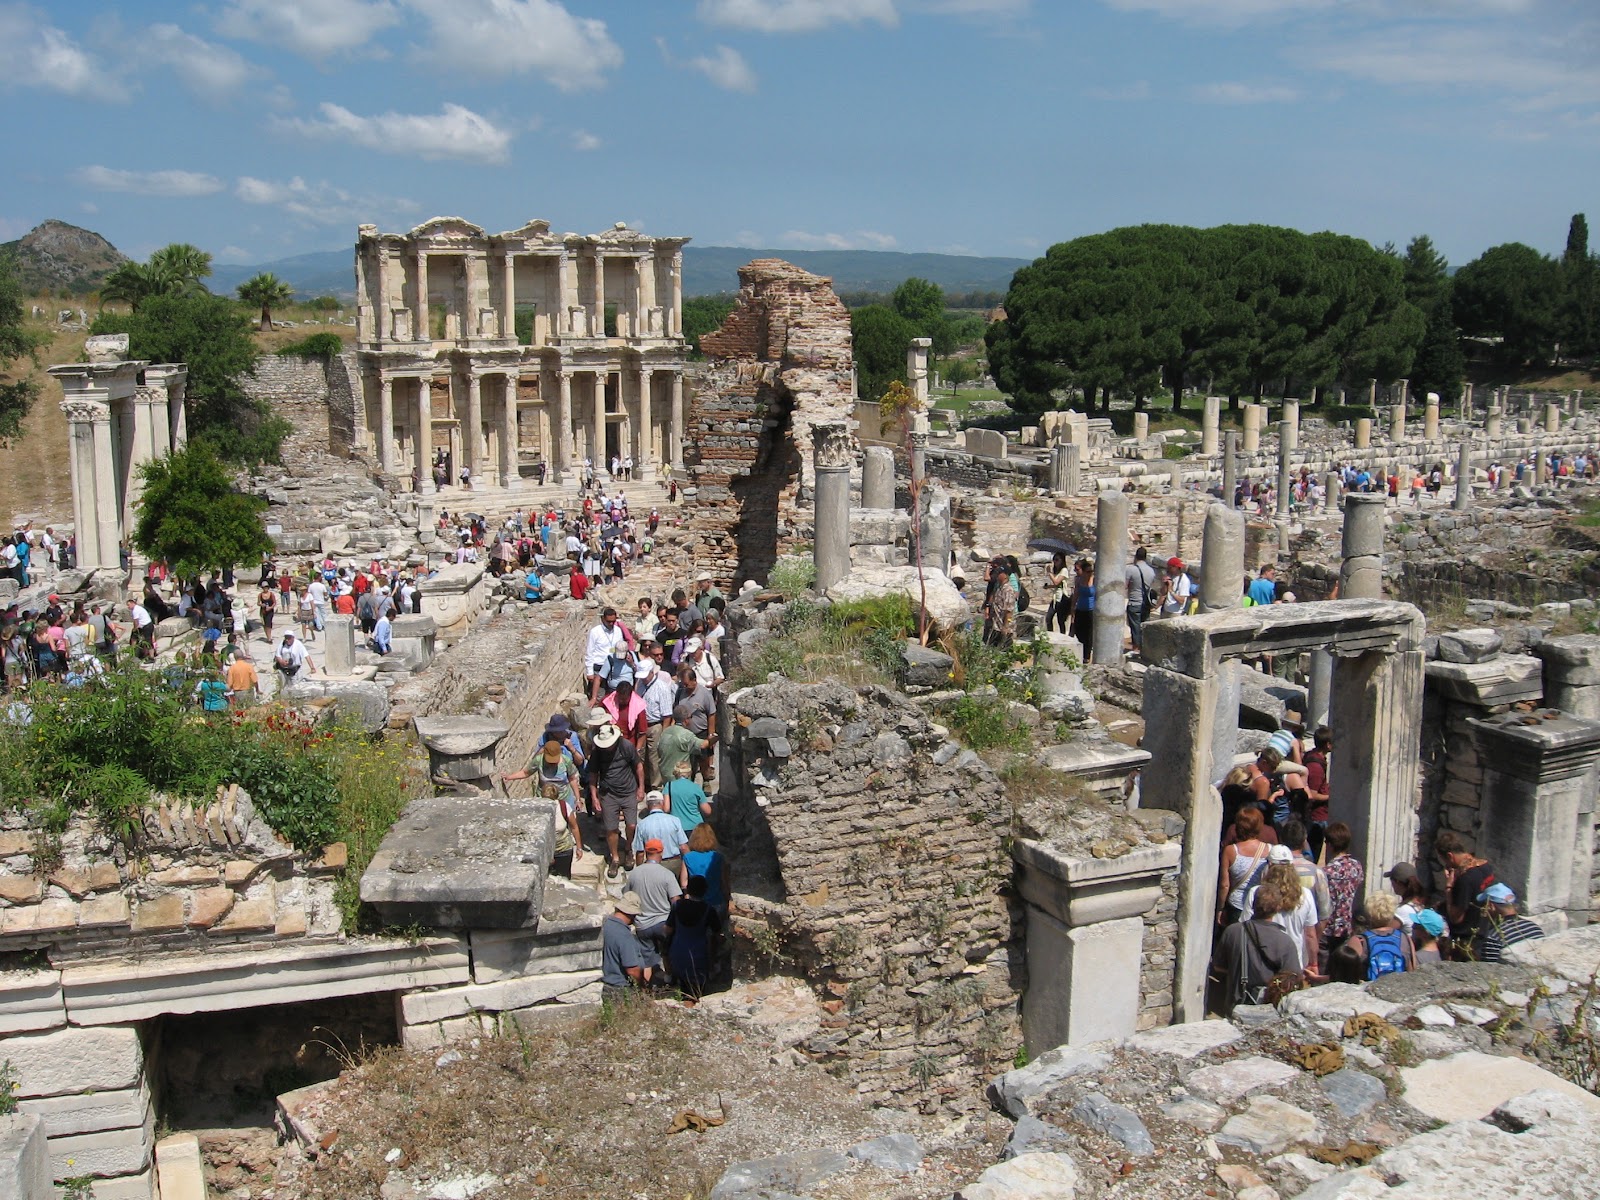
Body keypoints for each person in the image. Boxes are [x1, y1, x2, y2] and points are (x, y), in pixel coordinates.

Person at [1206, 876, 1301, 1017]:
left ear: (1252, 904)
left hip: (1236, 1004)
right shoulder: (1285, 942)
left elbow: (1218, 967)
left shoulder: (1233, 931)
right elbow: (1292, 980)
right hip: (1269, 1010)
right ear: (1278, 907)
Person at [504, 734, 584, 878]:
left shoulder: (565, 761)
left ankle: (562, 847)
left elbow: (572, 779)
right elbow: (526, 772)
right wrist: (510, 777)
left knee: (563, 825)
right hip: (544, 800)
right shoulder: (539, 761)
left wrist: (578, 798)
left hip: (563, 800)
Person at [590, 722, 644, 878]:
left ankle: (628, 848)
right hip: (608, 793)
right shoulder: (597, 752)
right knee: (611, 828)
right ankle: (614, 857)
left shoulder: (626, 746)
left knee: (632, 824)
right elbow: (593, 774)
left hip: (628, 791)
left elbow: (638, 766)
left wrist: (641, 788)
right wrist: (594, 797)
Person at [1436, 830, 1496, 959]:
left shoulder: (1465, 880)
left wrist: (1449, 888)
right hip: (1485, 930)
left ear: (1450, 856)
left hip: (1467, 941)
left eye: (1445, 861)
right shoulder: (1486, 866)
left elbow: (1456, 918)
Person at [666, 874, 723, 1001]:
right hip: (699, 955)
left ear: (688, 889)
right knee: (698, 992)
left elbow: (667, 929)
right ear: (705, 891)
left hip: (678, 952)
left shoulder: (677, 905)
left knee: (684, 989)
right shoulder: (709, 910)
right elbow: (718, 935)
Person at [627, 838, 682, 964]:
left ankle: (649, 977)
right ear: (661, 852)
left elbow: (627, 897)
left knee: (647, 962)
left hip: (642, 924)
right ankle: (669, 974)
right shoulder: (667, 874)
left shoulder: (634, 873)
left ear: (646, 852)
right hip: (664, 922)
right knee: (669, 955)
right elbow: (676, 901)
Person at [1217, 806, 1272, 925]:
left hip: (1235, 906)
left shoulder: (1230, 851)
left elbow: (1224, 885)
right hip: (1258, 905)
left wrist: (1220, 908)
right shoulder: (1269, 850)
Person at [1347, 892, 1415, 980]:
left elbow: (1350, 975)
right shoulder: (1405, 938)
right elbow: (1412, 973)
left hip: (1369, 987)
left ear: (1368, 913)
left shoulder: (1358, 940)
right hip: (1398, 986)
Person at [600, 892, 653, 1002]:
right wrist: (642, 987)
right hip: (621, 990)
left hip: (605, 986)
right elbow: (632, 970)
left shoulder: (606, 926)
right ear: (632, 914)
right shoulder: (624, 935)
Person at [1322, 821, 1363, 954]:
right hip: (1347, 925)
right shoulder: (1356, 866)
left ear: (1330, 844)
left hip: (1327, 927)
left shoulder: (1326, 871)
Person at [1477, 884, 1544, 963]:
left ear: (1491, 906)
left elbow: (1489, 967)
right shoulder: (1534, 928)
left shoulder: (1493, 938)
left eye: (1484, 905)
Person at [633, 790, 689, 879]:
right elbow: (683, 847)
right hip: (674, 863)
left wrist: (639, 871)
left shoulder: (641, 825)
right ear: (662, 803)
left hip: (653, 864)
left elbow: (640, 852)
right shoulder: (675, 820)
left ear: (647, 805)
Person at [585, 607, 628, 701]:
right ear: (603, 619)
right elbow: (589, 652)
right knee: (599, 696)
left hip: (613, 666)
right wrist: (589, 672)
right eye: (609, 621)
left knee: (613, 696)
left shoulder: (618, 630)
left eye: (613, 621)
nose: (611, 624)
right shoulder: (595, 632)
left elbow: (621, 647)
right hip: (599, 666)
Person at [1125, 546, 1156, 653]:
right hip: (1146, 603)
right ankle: (1144, 649)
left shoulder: (1131, 570)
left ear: (1136, 556)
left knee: (1135, 627)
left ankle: (1136, 649)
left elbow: (1125, 585)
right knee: (1144, 627)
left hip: (1134, 602)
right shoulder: (1151, 571)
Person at [1070, 558, 1095, 663]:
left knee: (1089, 634)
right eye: (1088, 571)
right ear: (1083, 572)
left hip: (1091, 610)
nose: (1090, 573)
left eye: (1091, 571)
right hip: (1080, 609)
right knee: (1079, 631)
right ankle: (1081, 650)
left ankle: (1086, 656)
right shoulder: (1079, 580)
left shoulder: (1095, 580)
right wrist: (1072, 609)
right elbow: (1076, 594)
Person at [1046, 552, 1070, 635]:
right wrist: (1048, 586)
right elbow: (1057, 585)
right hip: (1055, 598)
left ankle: (1063, 636)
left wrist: (1049, 573)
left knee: (1060, 620)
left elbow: (1056, 582)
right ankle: (1050, 634)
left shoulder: (1064, 570)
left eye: (1057, 560)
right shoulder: (1057, 571)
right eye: (1054, 560)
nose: (1055, 562)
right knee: (1048, 618)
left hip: (1061, 598)